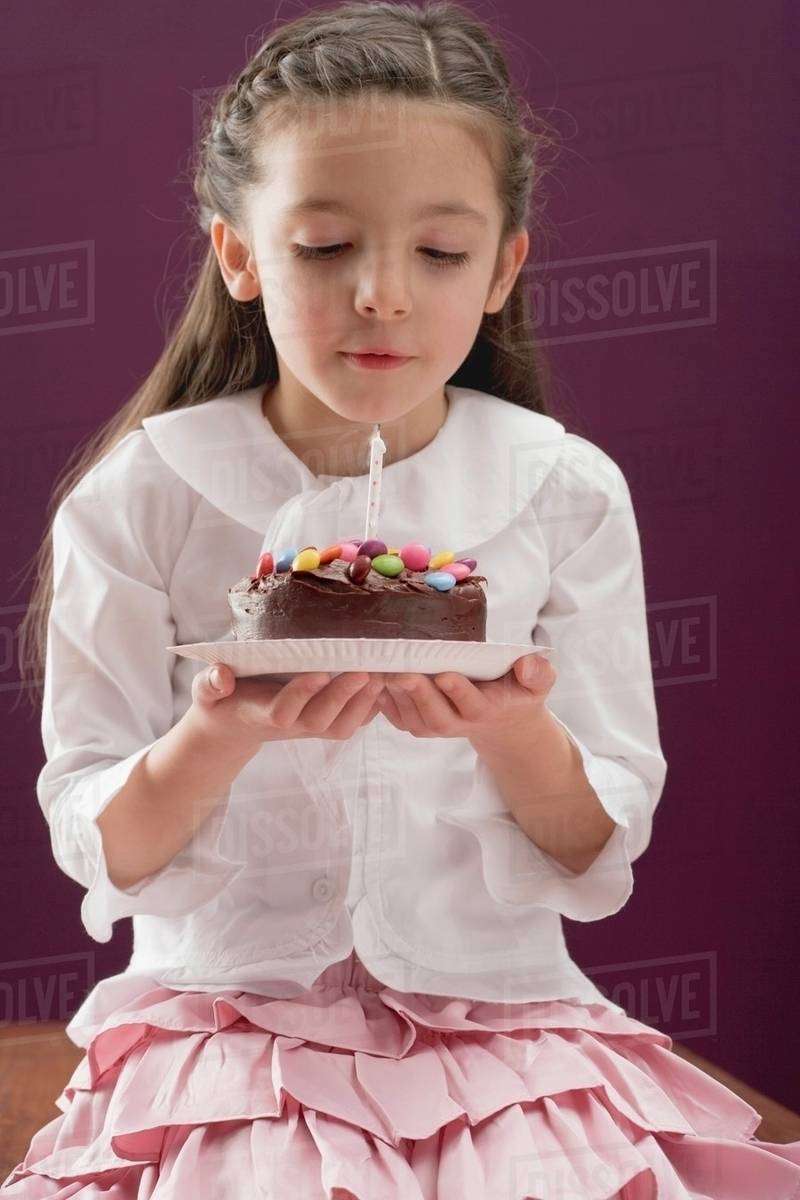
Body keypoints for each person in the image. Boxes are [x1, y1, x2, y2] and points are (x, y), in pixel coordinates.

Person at [5, 2, 799, 1195]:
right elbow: (101, 835)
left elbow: (592, 836)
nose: (380, 294)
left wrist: (510, 722)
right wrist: (217, 733)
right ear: (238, 254)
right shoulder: (144, 496)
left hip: (503, 1016)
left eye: (437, 253)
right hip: (230, 1018)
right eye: (323, 246)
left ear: (500, 269)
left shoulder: (559, 491)